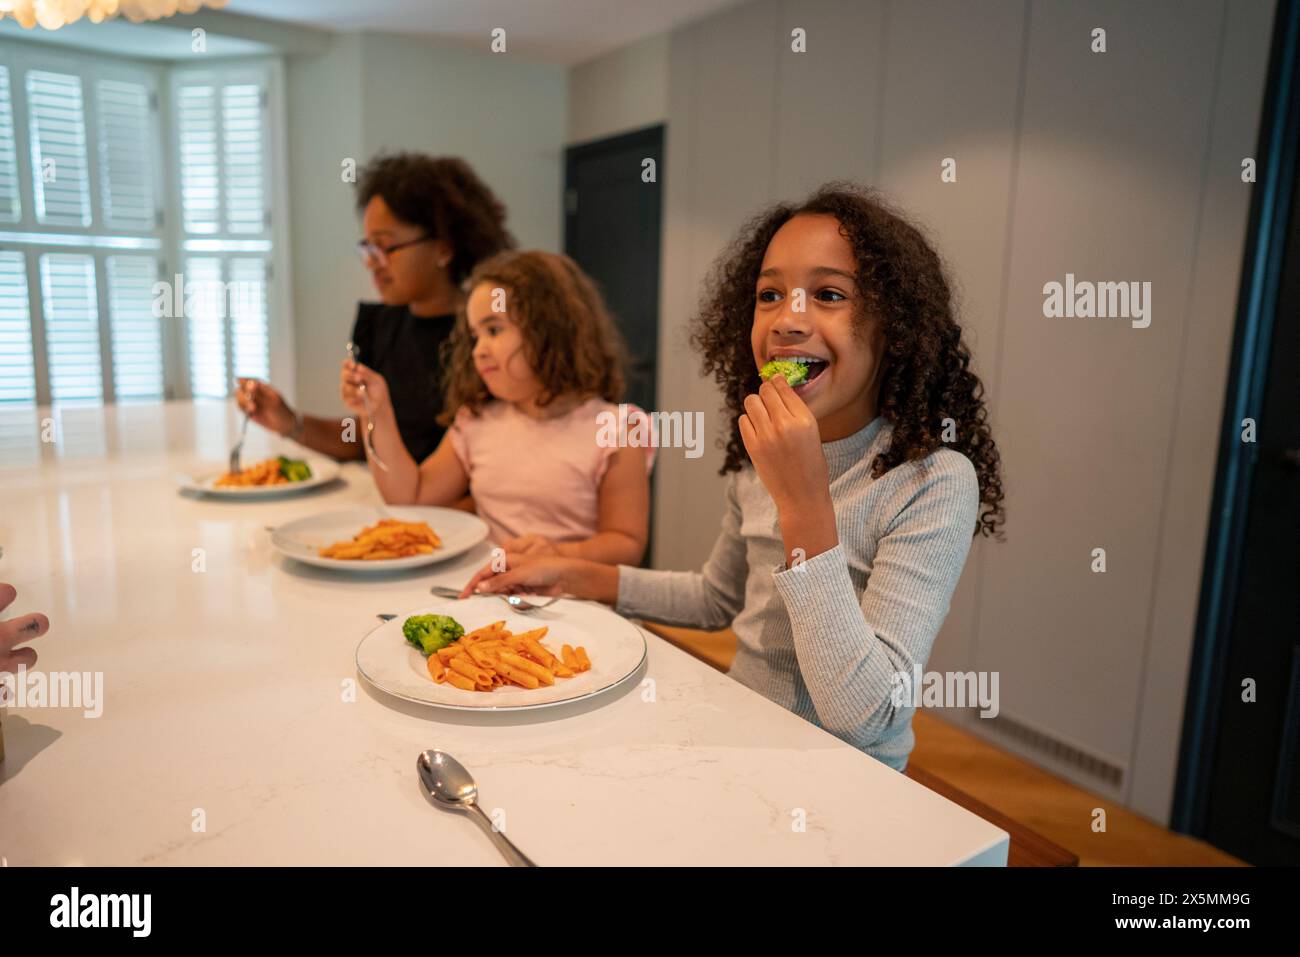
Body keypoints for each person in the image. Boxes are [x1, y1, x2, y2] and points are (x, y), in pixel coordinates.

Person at [459, 183, 1006, 770]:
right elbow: (716, 598)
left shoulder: (933, 482)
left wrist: (804, 505)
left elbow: (870, 714)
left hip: (845, 780)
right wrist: (572, 572)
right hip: (738, 737)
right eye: (769, 294)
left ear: (895, 327)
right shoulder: (759, 457)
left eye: (827, 294)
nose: (788, 319)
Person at [342, 250, 654, 566]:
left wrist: (559, 554)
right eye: (475, 336)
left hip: (574, 602)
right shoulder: (476, 421)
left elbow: (626, 543)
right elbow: (410, 496)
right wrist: (375, 412)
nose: (478, 351)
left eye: (493, 330)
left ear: (549, 328)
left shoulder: (618, 431)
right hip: (492, 595)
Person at [237, 153, 515, 462]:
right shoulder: (380, 325)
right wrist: (290, 423)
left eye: (386, 247)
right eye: (368, 247)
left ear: (444, 247)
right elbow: (364, 436)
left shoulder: (487, 337)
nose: (371, 262)